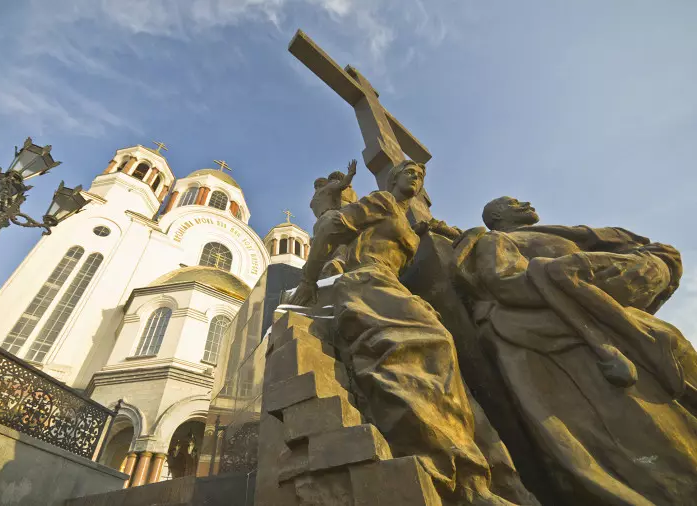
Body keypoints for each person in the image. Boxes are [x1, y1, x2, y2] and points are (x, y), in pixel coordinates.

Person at [290, 163, 536, 505]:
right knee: (407, 356)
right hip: (367, 283)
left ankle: (472, 473)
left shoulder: (407, 223)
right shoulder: (382, 202)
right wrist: (307, 279)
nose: (415, 177)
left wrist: (439, 231)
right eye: (408, 171)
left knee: (442, 355)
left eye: (420, 174)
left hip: (392, 287)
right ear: (393, 179)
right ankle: (452, 474)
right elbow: (331, 224)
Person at [452, 196, 697, 505]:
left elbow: (624, 246)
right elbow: (503, 283)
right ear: (498, 216)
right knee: (550, 270)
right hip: (563, 320)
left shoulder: (568, 234)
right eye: (514, 202)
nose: (526, 202)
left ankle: (644, 344)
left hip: (606, 292)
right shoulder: (497, 240)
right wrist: (556, 280)